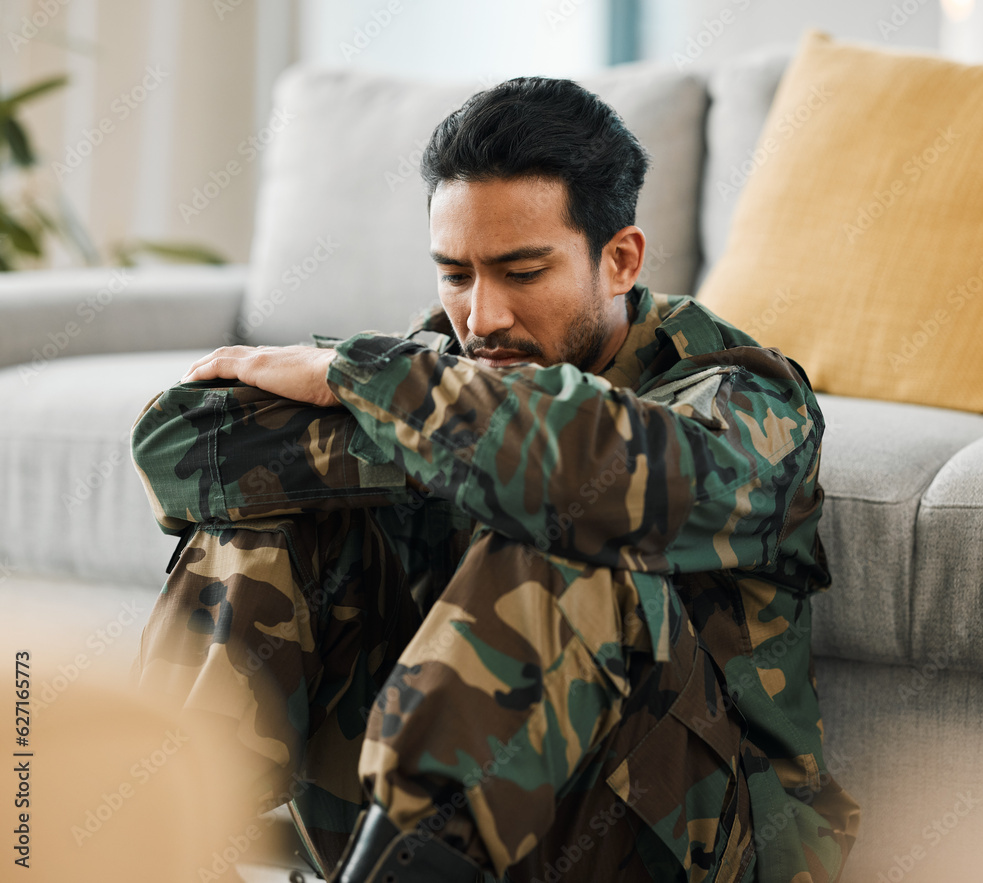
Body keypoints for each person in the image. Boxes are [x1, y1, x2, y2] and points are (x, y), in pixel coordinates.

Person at [131, 76, 859, 883]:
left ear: (620, 260)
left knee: (561, 527)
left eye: (522, 272)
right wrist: (445, 437)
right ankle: (158, 852)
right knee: (256, 524)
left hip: (701, 841)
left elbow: (599, 474)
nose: (481, 318)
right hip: (447, 830)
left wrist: (384, 398)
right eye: (455, 275)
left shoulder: (748, 396)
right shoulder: (432, 371)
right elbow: (175, 442)